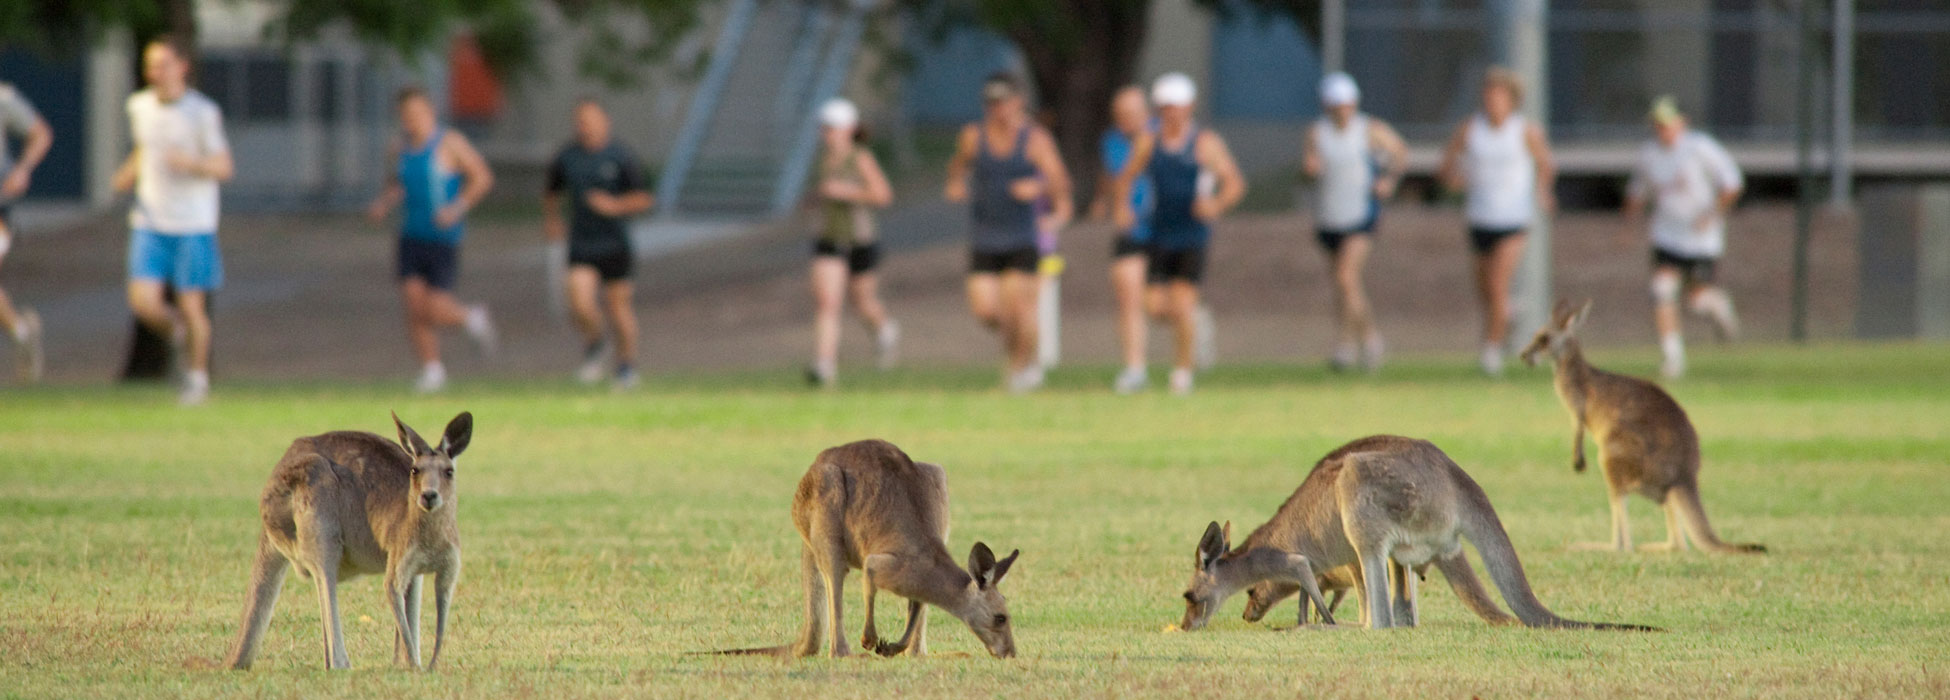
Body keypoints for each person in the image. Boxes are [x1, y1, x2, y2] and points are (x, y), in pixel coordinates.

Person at [111, 36, 232, 405]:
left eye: (162, 64)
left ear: (182, 67)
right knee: (143, 302)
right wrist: (128, 172)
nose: (155, 72)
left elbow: (224, 166)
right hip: (149, 220)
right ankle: (178, 332)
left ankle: (197, 380)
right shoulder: (139, 106)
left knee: (192, 305)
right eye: (150, 65)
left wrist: (191, 163)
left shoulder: (202, 112)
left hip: (192, 224)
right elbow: (145, 148)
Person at [1113, 72, 1246, 395]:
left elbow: (1234, 183)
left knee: (1183, 303)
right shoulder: (1149, 142)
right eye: (1166, 107)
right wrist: (1123, 207)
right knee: (1155, 307)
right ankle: (1195, 325)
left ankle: (1182, 373)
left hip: (1192, 236)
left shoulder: (1204, 143)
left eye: (1177, 106)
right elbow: (1126, 177)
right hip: (1159, 234)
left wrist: (1215, 205)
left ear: (1189, 107)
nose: (1172, 113)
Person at [944, 73, 1072, 393]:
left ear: (1018, 102)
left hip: (1022, 237)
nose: (997, 109)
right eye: (991, 103)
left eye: (1002, 102)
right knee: (987, 310)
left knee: (1018, 307)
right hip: (985, 237)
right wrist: (956, 183)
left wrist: (1039, 189)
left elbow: (1059, 180)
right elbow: (958, 166)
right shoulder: (974, 136)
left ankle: (1018, 371)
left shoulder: (1035, 139)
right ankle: (1025, 357)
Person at [366, 87, 497, 394]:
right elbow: (398, 185)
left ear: (430, 112)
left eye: (417, 114)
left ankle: (471, 318)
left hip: (442, 238)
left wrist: (457, 208)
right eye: (406, 115)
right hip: (410, 236)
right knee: (413, 304)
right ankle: (432, 369)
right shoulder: (398, 148)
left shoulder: (450, 143)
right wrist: (383, 204)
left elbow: (482, 177)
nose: (411, 121)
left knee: (435, 307)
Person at [1440, 67, 1556, 377]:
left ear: (1511, 101)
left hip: (1513, 217)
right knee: (1485, 291)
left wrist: (1542, 192)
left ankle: (1491, 352)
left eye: (1499, 97)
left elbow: (1545, 163)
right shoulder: (1470, 129)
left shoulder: (1524, 130)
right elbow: (1447, 167)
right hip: (1480, 216)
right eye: (1489, 96)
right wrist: (1454, 180)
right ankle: (1507, 313)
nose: (1492, 102)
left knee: (1497, 284)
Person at [1623, 96, 1744, 380]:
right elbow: (1637, 193)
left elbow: (1732, 183)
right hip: (1667, 236)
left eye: (1667, 123)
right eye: (1658, 124)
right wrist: (1628, 226)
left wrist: (1712, 214)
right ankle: (1673, 358)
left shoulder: (1699, 148)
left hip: (1701, 239)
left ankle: (1719, 305)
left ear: (1681, 122)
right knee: (1662, 289)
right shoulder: (1649, 155)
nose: (1662, 130)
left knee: (1696, 300)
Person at [544, 99, 654, 390]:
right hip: (582, 244)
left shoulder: (621, 156)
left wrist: (614, 205)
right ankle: (596, 342)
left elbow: (644, 198)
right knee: (579, 301)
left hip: (615, 244)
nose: (585, 126)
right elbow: (552, 191)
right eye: (580, 121)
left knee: (618, 308)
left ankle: (626, 366)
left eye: (590, 120)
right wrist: (553, 219)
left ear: (605, 121)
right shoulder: (567, 156)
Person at [1302, 72, 1405, 373]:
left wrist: (1388, 181)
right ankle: (1345, 345)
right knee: (1342, 286)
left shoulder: (1369, 130)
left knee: (1346, 277)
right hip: (1329, 216)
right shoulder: (1317, 133)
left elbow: (1399, 153)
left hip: (1361, 215)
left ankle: (1371, 339)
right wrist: (1310, 169)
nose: (1342, 111)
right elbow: (1309, 168)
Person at [805, 98, 898, 388]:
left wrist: (846, 192)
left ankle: (883, 328)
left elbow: (883, 195)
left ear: (848, 129)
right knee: (827, 302)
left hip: (860, 240)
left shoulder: (860, 158)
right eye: (824, 128)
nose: (827, 134)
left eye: (832, 128)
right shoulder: (822, 159)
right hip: (829, 239)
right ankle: (824, 365)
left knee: (862, 302)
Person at [1092, 86, 1155, 394]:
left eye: (1131, 114)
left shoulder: (1162, 135)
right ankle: (1134, 369)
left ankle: (1192, 321)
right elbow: (1111, 174)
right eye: (1120, 115)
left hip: (1165, 229)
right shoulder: (1111, 141)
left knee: (1164, 302)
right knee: (1128, 296)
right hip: (1131, 230)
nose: (1126, 120)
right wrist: (1104, 200)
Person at [0, 81, 50, 382]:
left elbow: (40, 133)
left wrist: (22, 170)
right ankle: (21, 331)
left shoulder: (4, 98)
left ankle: (22, 333)